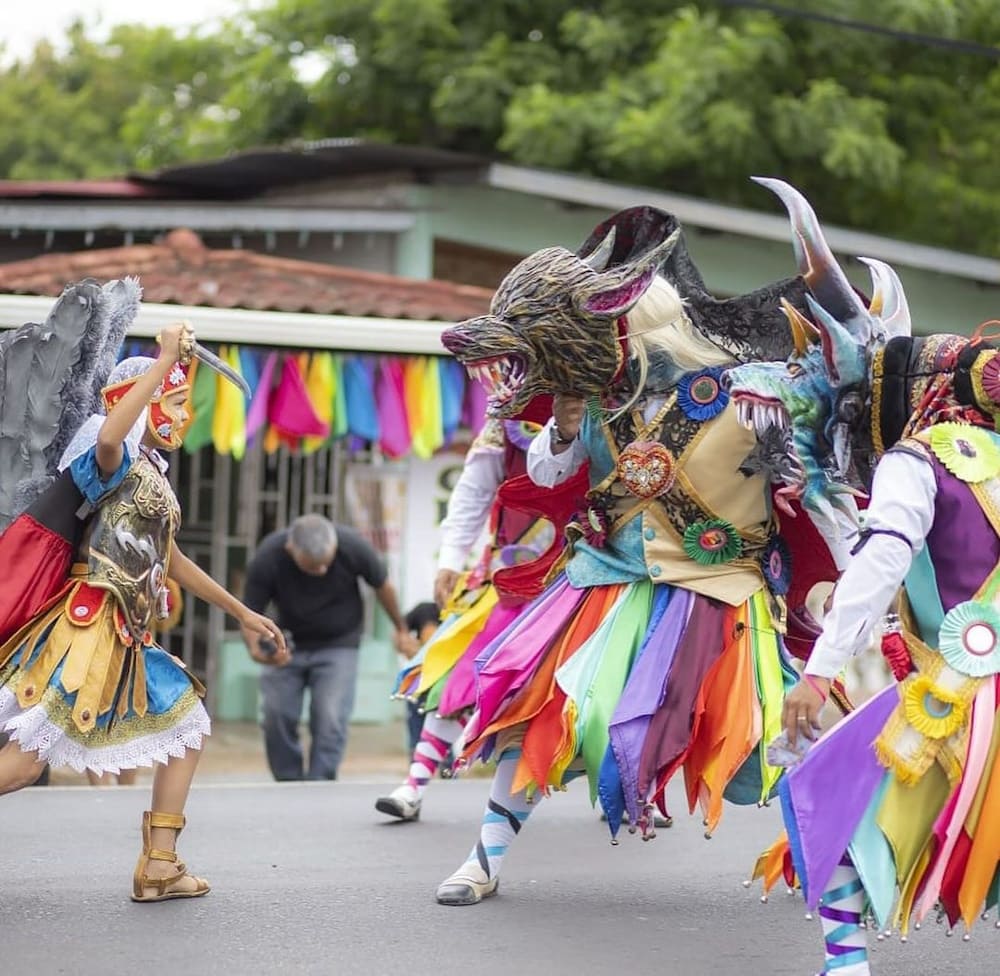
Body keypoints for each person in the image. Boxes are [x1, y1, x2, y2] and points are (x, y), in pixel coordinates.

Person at [431, 203, 816, 906]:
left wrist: (788, 415)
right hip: (602, 583)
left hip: (717, 589)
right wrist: (563, 427)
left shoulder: (752, 394)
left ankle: (827, 848)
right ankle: (483, 859)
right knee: (540, 711)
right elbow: (550, 478)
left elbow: (809, 480)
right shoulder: (597, 403)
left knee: (763, 733)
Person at [726, 178, 1000, 974]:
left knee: (832, 813)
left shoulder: (918, 462)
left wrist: (816, 672)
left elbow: (881, 565)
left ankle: (846, 966)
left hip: (963, 699)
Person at [0, 314, 285, 901]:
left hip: (127, 633)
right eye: (170, 401)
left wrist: (241, 612)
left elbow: (169, 557)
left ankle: (160, 863)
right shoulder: (109, 460)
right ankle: (159, 863)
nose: (181, 416)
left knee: (189, 722)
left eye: (184, 405)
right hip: (86, 627)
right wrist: (161, 362)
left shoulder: (151, 474)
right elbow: (109, 437)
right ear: (137, 399)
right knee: (26, 766)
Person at [374, 402, 580, 823]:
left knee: (605, 686)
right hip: (506, 583)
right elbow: (473, 491)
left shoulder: (611, 406)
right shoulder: (510, 413)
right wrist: (451, 559)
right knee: (459, 674)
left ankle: (635, 794)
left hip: (582, 581)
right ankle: (414, 784)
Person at [242, 513, 408, 781]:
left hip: (339, 643)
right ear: (290, 549)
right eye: (312, 567)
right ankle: (288, 782)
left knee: (330, 717)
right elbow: (250, 609)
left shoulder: (353, 545)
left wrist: (400, 627)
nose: (320, 572)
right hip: (286, 643)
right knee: (276, 713)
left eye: (325, 565)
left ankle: (320, 782)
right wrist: (255, 648)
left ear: (334, 545)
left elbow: (382, 586)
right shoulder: (270, 555)